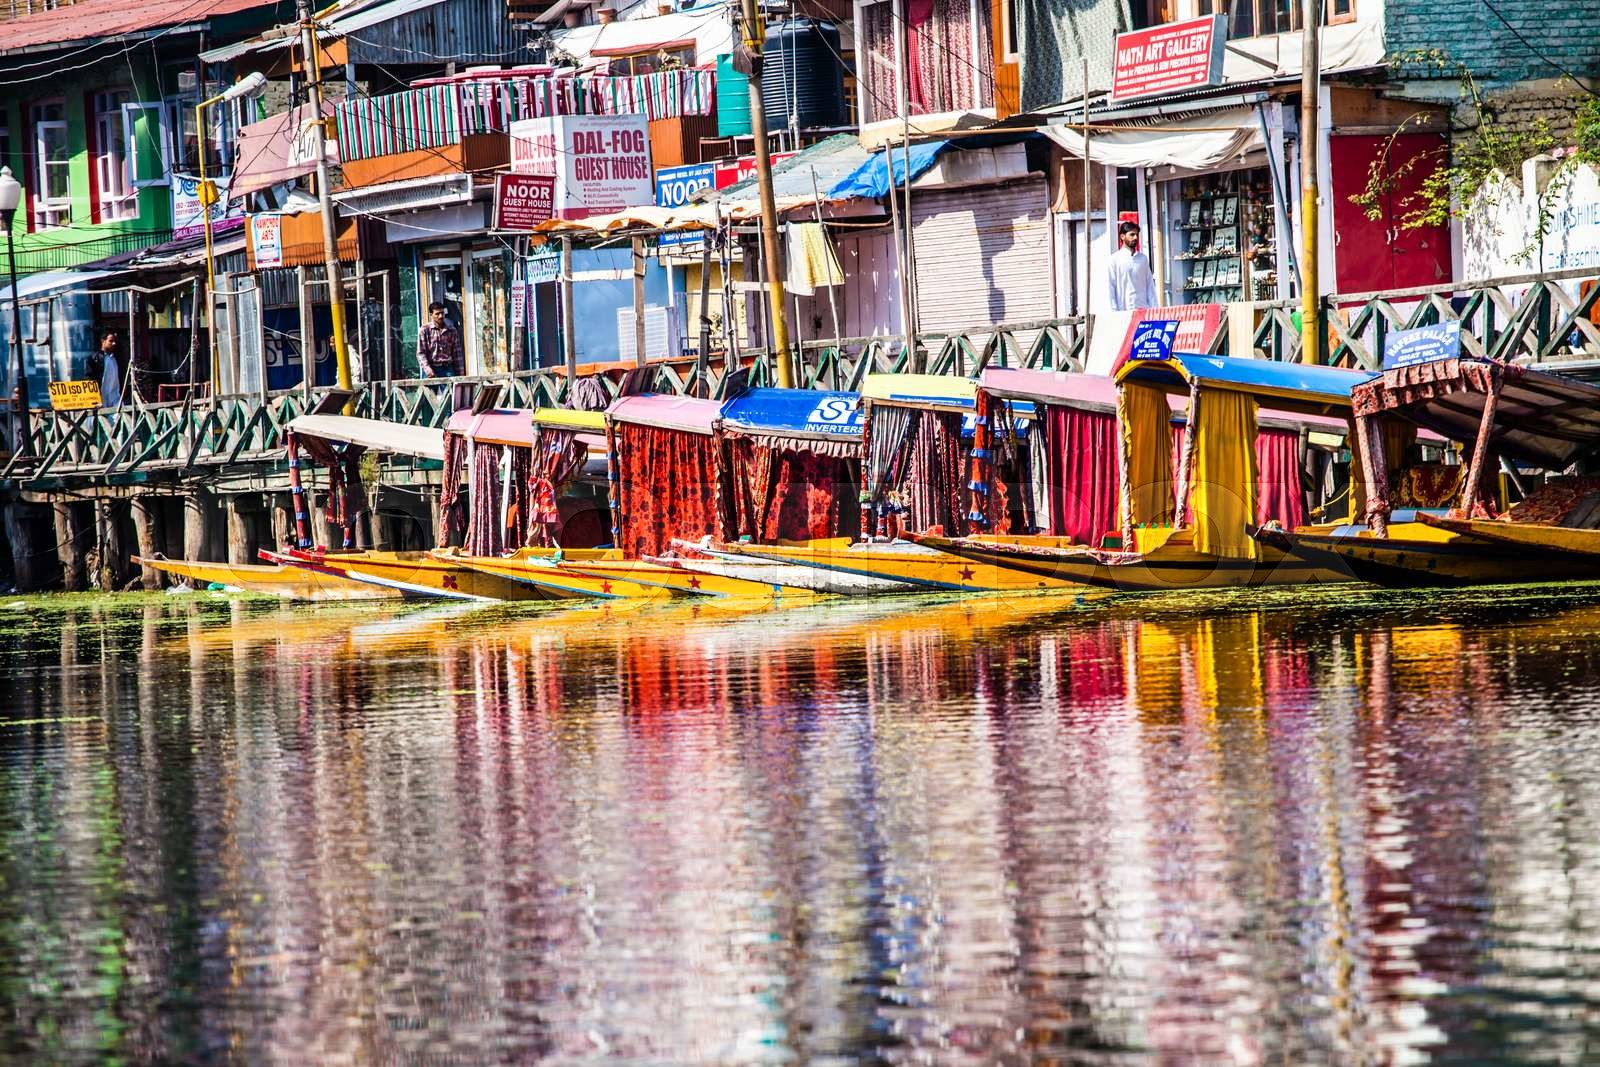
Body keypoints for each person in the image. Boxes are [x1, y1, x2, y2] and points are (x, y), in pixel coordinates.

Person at [1108, 221, 1156, 311]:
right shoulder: (1114, 259)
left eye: (1137, 235)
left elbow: (1150, 286)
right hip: (1124, 312)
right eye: (1132, 234)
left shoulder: (1142, 259)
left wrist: (1154, 310)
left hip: (1143, 310)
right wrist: (1114, 312)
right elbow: (1111, 288)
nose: (1135, 237)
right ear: (1122, 236)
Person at [417, 302, 461, 378]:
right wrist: (428, 369)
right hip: (431, 367)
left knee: (451, 389)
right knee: (427, 390)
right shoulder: (425, 330)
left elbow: (457, 354)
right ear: (431, 315)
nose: (440, 316)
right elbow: (420, 353)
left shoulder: (451, 330)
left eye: (442, 313)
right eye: (437, 314)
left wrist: (460, 373)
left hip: (447, 369)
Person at [88, 330, 123, 409]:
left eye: (114, 341)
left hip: (115, 397)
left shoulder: (116, 358)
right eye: (110, 341)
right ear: (103, 341)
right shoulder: (95, 359)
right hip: (101, 398)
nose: (114, 343)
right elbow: (89, 378)